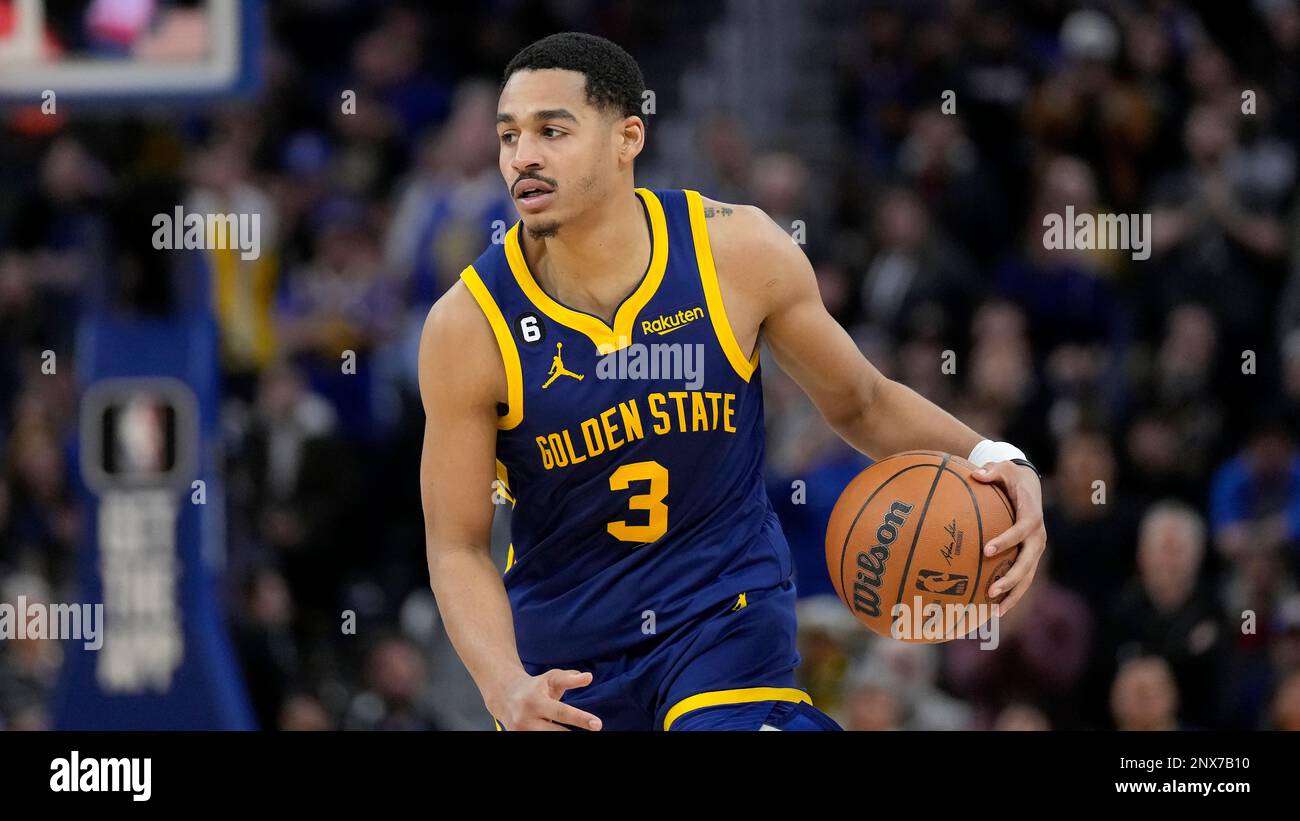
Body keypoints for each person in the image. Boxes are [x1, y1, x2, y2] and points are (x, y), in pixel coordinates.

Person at [418, 32, 1046, 731]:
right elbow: (457, 543)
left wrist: (993, 455)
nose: (521, 156)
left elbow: (861, 400)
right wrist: (504, 684)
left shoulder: (735, 251)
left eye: (551, 130)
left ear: (628, 137)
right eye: (509, 135)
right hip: (565, 660)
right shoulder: (467, 326)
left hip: (723, 616)